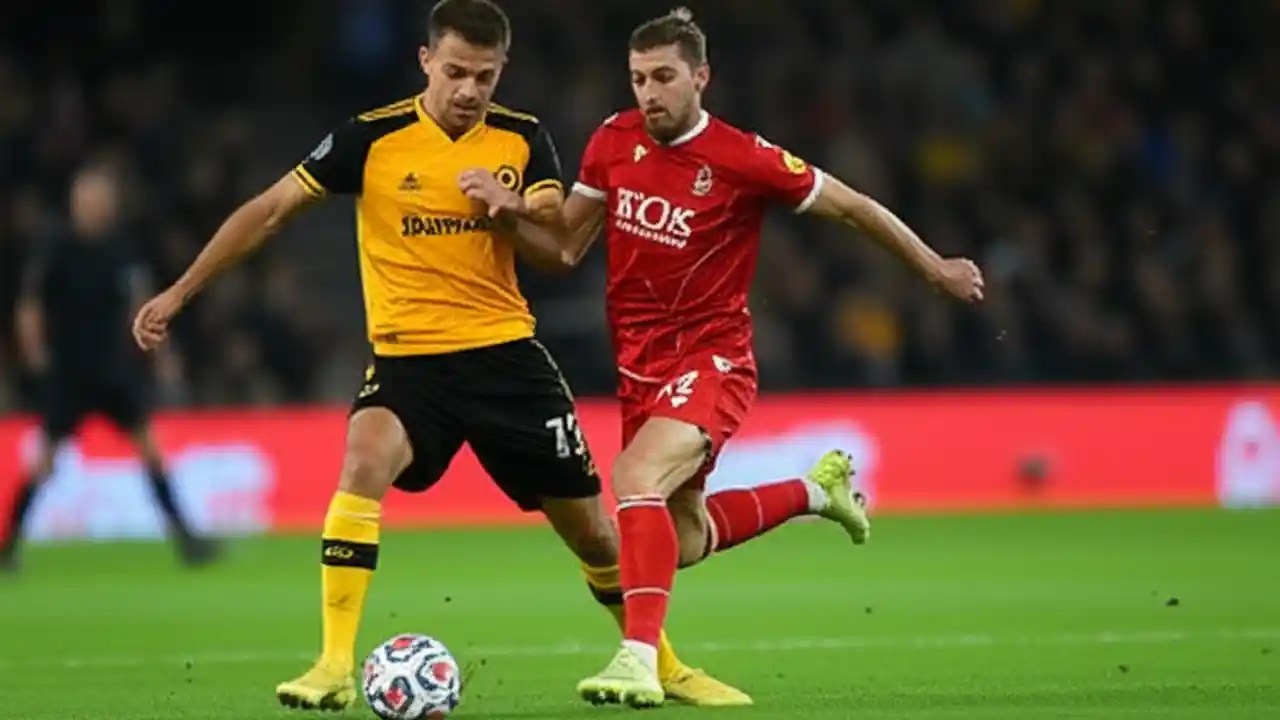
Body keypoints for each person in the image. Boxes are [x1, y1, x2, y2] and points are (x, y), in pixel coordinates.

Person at [132, 0, 747, 711]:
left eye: (484, 76)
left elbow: (554, 239)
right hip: (408, 364)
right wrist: (180, 291)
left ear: (501, 70)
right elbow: (270, 210)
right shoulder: (372, 138)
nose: (468, 90)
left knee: (593, 535)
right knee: (364, 459)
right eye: (455, 71)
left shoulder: (522, 137)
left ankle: (662, 663)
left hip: (506, 361)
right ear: (426, 61)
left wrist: (507, 206)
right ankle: (333, 665)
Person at [459, 7, 986, 708]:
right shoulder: (614, 140)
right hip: (639, 369)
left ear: (700, 77)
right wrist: (507, 211)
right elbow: (562, 249)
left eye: (664, 77)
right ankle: (816, 493)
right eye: (639, 78)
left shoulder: (744, 158)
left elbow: (855, 206)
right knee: (679, 538)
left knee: (634, 477)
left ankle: (638, 659)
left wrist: (934, 268)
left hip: (713, 362)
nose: (649, 93)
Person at [0, 160, 219, 573]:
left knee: (151, 451)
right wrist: (35, 352)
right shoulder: (56, 248)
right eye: (87, 198)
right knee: (45, 461)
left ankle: (188, 540)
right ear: (74, 201)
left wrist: (161, 355)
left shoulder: (122, 250)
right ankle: (9, 545)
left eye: (101, 198)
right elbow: (30, 305)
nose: (95, 205)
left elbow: (139, 305)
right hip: (69, 373)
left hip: (112, 370)